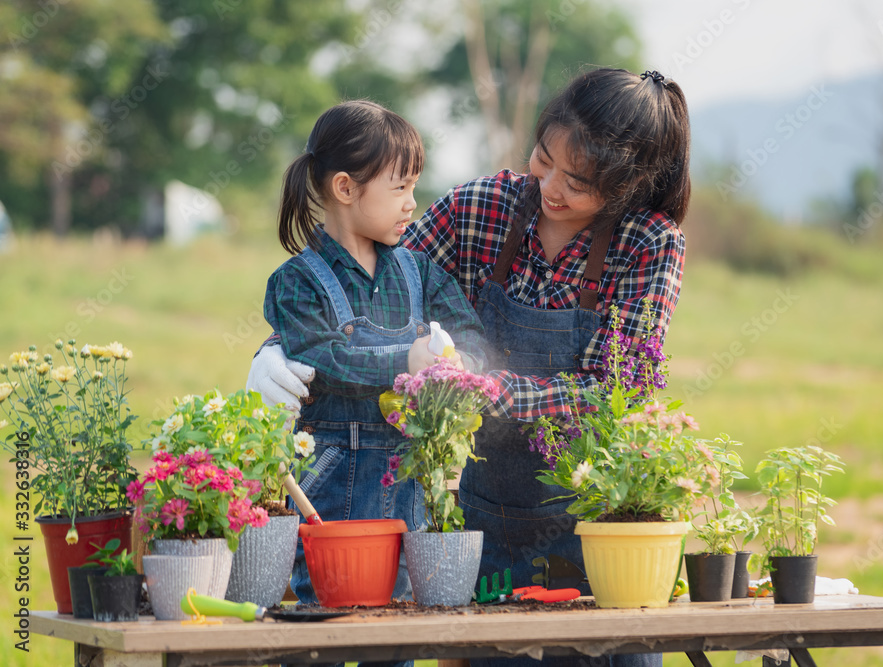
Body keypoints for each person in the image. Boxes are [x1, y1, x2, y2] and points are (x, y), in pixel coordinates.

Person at [250, 68, 690, 667]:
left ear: (628, 186)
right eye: (544, 158)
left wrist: (489, 389)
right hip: (480, 524)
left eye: (579, 182)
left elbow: (619, 388)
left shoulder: (648, 242)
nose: (552, 188)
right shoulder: (478, 209)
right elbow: (359, 284)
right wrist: (276, 350)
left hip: (600, 528)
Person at [261, 100, 488, 616]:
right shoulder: (296, 282)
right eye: (399, 187)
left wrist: (457, 365)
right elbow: (320, 355)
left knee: (403, 619)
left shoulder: (419, 272)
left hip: (410, 480)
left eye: (413, 186)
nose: (412, 203)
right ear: (345, 188)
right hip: (333, 482)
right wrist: (403, 362)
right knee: (332, 613)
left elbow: (471, 335)